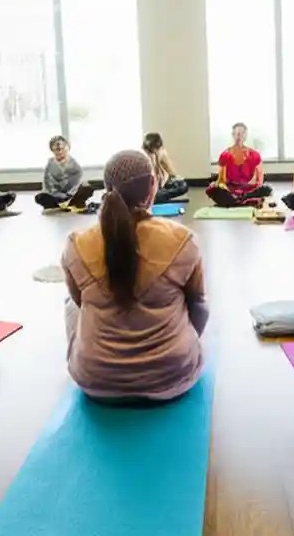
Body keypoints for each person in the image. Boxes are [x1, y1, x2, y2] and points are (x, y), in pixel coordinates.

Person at [62, 150, 208, 403]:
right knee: (186, 303)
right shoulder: (183, 240)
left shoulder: (77, 244)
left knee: (71, 307)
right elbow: (199, 308)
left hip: (96, 380)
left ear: (107, 190)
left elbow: (78, 303)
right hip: (171, 377)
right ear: (152, 187)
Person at [208, 122, 272, 207]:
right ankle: (243, 201)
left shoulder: (254, 154)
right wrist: (220, 186)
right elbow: (221, 180)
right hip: (230, 191)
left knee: (267, 188)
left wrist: (252, 187)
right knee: (212, 188)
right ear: (233, 135)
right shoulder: (225, 155)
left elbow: (259, 179)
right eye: (237, 134)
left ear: (245, 135)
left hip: (249, 190)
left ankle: (240, 200)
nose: (239, 136)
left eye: (242, 134)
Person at [35, 136, 96, 211]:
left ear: (68, 148)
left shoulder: (74, 164)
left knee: (87, 188)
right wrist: (57, 194)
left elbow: (77, 181)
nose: (60, 152)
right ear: (52, 150)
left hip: (71, 195)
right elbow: (48, 184)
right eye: (57, 149)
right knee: (40, 197)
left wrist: (69, 194)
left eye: (62, 149)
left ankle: (71, 203)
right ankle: (58, 204)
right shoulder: (50, 164)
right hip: (55, 196)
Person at [142, 132, 189, 203]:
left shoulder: (159, 156)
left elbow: (173, 175)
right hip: (146, 192)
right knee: (181, 186)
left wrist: (164, 160)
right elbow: (152, 184)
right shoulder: (145, 159)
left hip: (156, 189)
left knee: (182, 184)